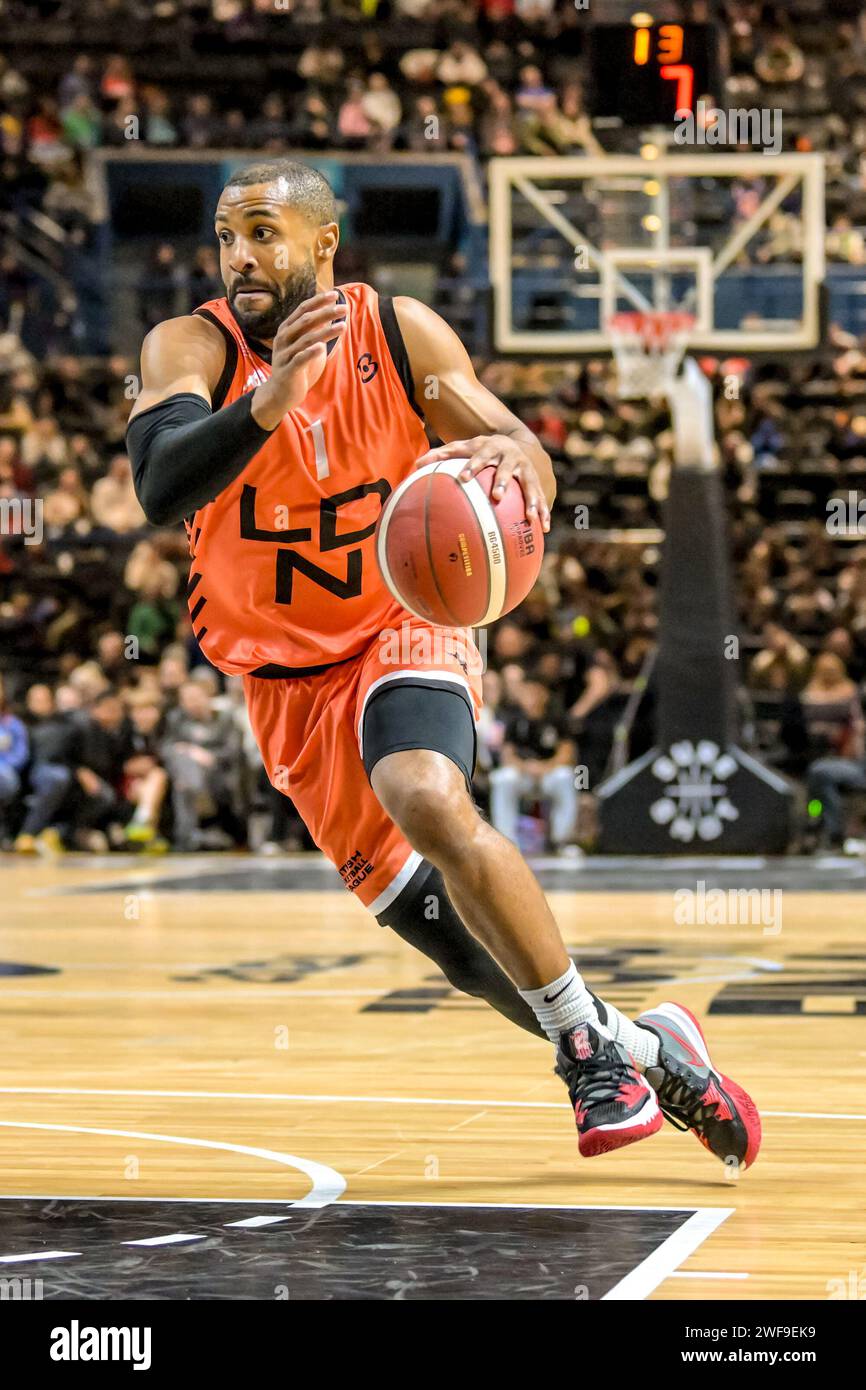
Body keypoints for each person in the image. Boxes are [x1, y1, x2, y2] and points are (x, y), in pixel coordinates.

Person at [125, 158, 760, 1168]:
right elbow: (158, 485)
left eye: (261, 231)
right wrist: (266, 401)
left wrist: (523, 466)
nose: (239, 254)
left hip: (397, 626)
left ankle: (587, 1056)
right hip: (287, 690)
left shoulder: (398, 332)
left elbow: (520, 450)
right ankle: (654, 1052)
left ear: (322, 241)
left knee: (422, 787)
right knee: (465, 953)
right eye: (225, 235)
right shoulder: (189, 346)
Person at [489, 672, 578, 853]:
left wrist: (545, 767)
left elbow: (567, 752)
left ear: (543, 694)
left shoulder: (557, 717)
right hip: (524, 775)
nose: (529, 697)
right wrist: (525, 767)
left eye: (533, 692)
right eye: (526, 692)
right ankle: (507, 841)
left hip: (549, 774)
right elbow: (507, 754)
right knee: (502, 778)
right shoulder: (513, 718)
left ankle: (562, 840)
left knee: (566, 777)